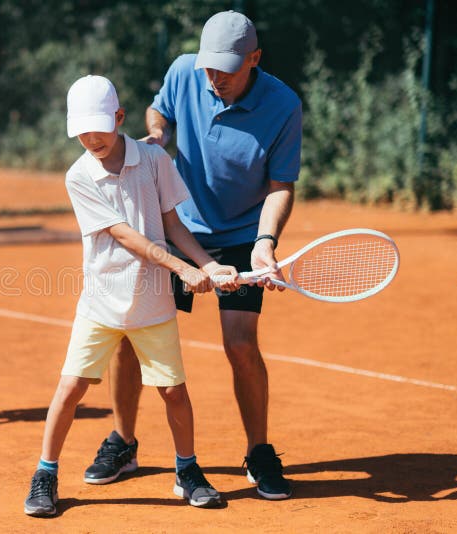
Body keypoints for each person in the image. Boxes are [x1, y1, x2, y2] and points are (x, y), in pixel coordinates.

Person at [83, 10, 302, 501]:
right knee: (128, 335)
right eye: (209, 67)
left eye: (225, 68)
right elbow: (159, 112)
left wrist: (266, 241)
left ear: (255, 59)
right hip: (178, 228)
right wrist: (159, 138)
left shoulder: (283, 105)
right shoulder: (186, 70)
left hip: (245, 233)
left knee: (241, 344)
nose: (214, 78)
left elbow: (281, 185)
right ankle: (124, 439)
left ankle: (259, 451)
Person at [23, 74, 240, 517]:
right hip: (100, 302)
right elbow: (126, 236)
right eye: (81, 131)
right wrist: (182, 268)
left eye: (99, 127)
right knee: (71, 388)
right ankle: (45, 473)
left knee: (174, 392)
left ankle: (187, 471)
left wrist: (209, 265)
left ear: (120, 118)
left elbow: (174, 225)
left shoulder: (155, 160)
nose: (90, 138)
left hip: (152, 302)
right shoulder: (79, 175)